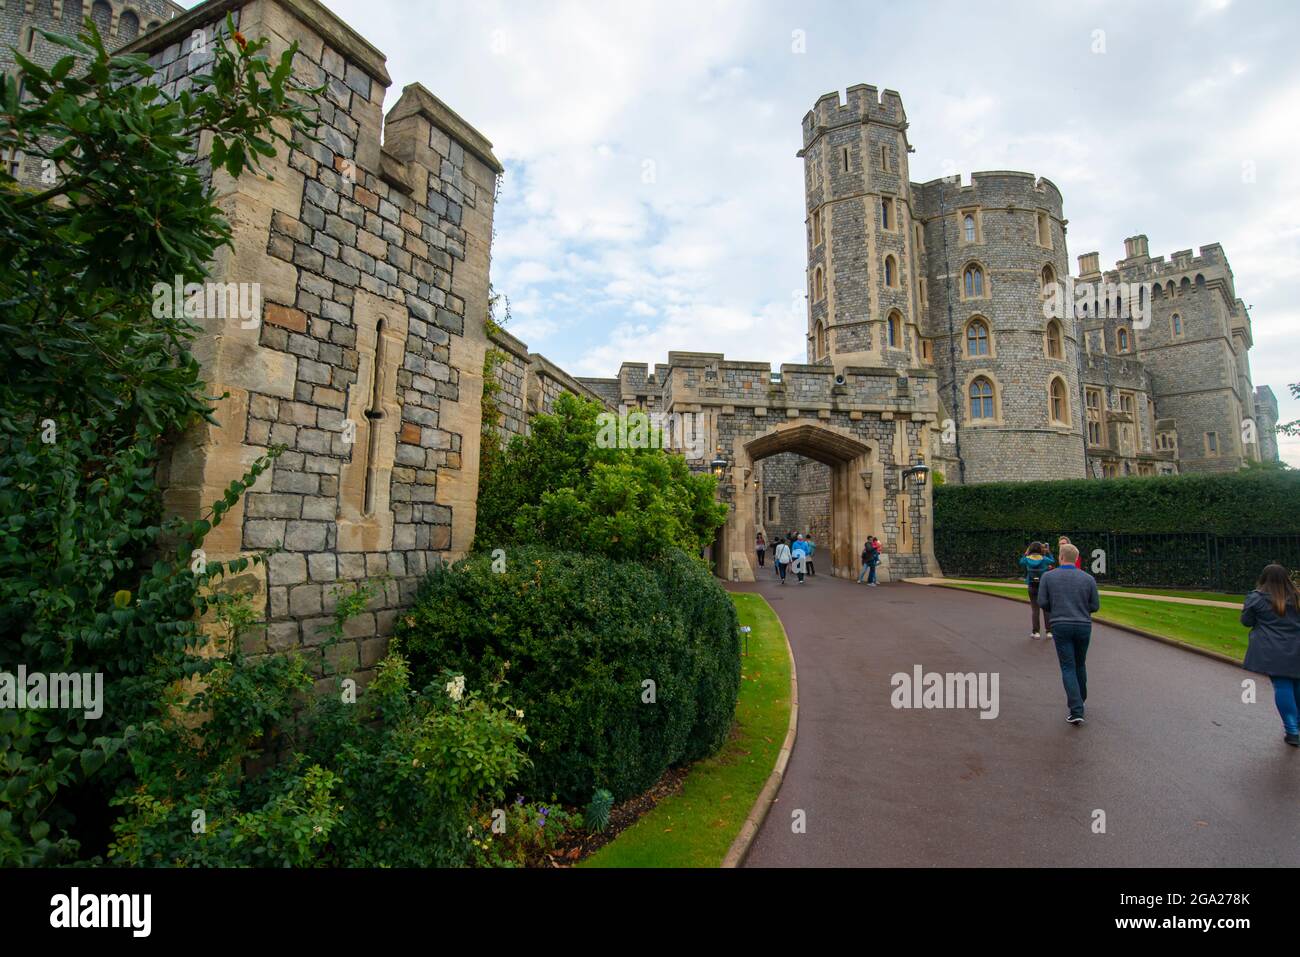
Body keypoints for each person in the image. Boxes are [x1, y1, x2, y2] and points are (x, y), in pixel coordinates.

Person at [1037, 543, 1100, 725]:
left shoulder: (1048, 577)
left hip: (1060, 623)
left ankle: (1076, 709)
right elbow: (1095, 606)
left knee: (1068, 666)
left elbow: (1043, 602)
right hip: (1083, 624)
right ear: (1077, 558)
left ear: (1060, 557)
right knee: (1080, 664)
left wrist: (1057, 609)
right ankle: (1081, 699)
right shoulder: (1088, 579)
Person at [1240, 564, 1300, 747]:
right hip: (1297, 646)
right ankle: (1296, 725)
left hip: (1273, 648)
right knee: (1297, 685)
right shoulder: (1297, 598)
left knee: (1282, 686)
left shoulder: (1256, 598)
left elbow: (1246, 621)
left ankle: (1292, 730)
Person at [1019, 542, 1055, 639]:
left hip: (1032, 585)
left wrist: (1026, 553)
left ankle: (1036, 632)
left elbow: (1021, 561)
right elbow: (1052, 561)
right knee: (1046, 609)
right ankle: (1049, 632)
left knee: (1035, 610)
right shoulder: (1044, 559)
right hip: (1043, 586)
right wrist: (1048, 552)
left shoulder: (1027, 559)